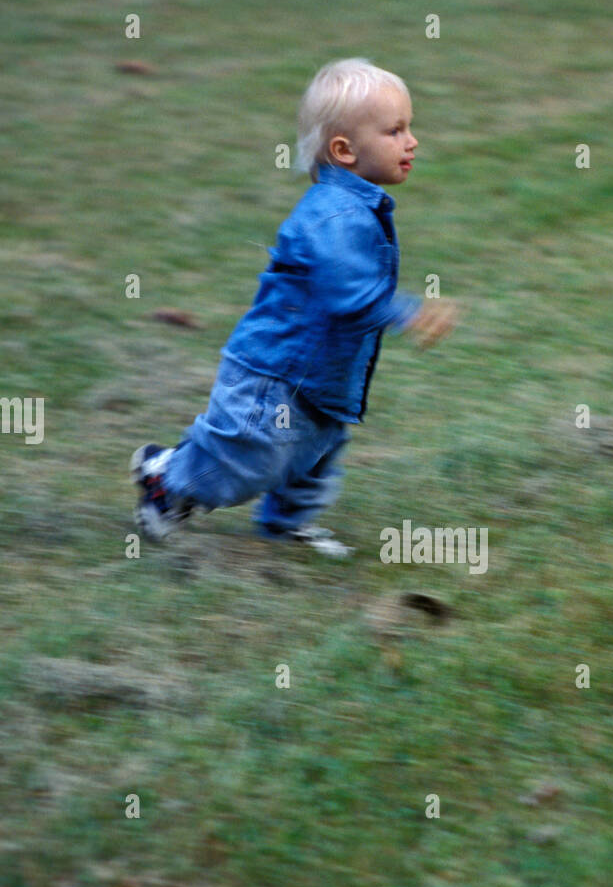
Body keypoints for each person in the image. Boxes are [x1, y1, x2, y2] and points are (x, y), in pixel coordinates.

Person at [131, 57, 456, 557]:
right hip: (276, 370)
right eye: (395, 131)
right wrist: (408, 312)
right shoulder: (332, 214)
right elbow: (347, 292)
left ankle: (287, 524)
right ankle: (167, 479)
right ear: (344, 150)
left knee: (317, 451)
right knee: (247, 458)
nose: (412, 141)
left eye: (409, 128)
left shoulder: (357, 206)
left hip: (320, 375)